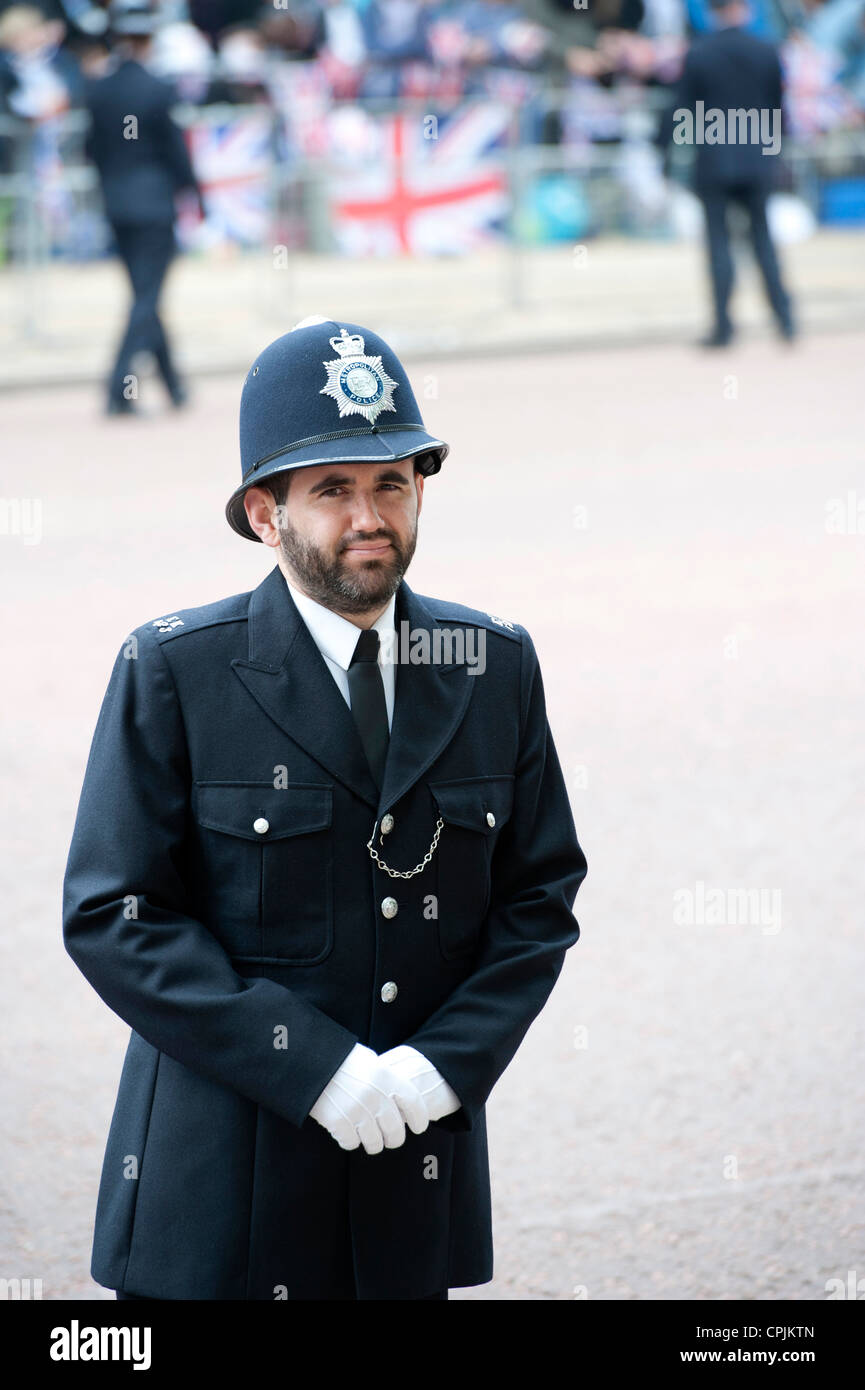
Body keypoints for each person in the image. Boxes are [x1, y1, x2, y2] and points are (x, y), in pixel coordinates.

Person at [62, 315, 588, 1301]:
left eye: (391, 482)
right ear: (265, 513)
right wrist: (316, 1070)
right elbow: (114, 913)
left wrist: (444, 1068)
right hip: (221, 1195)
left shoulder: (490, 663)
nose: (368, 517)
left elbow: (539, 896)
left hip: (409, 1182)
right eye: (331, 489)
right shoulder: (175, 670)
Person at [83, 0, 204, 414]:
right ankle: (118, 387)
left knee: (144, 295)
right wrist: (196, 195)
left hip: (117, 205)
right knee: (147, 298)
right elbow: (176, 152)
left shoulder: (99, 88)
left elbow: (90, 150)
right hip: (153, 205)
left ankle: (173, 387)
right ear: (150, 38)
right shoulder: (157, 88)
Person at [657, 0, 796, 346]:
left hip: (714, 162)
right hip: (757, 160)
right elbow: (779, 111)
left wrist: (663, 152)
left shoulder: (700, 53)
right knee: (762, 241)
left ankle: (723, 326)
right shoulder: (766, 51)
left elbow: (681, 110)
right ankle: (785, 320)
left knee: (718, 244)